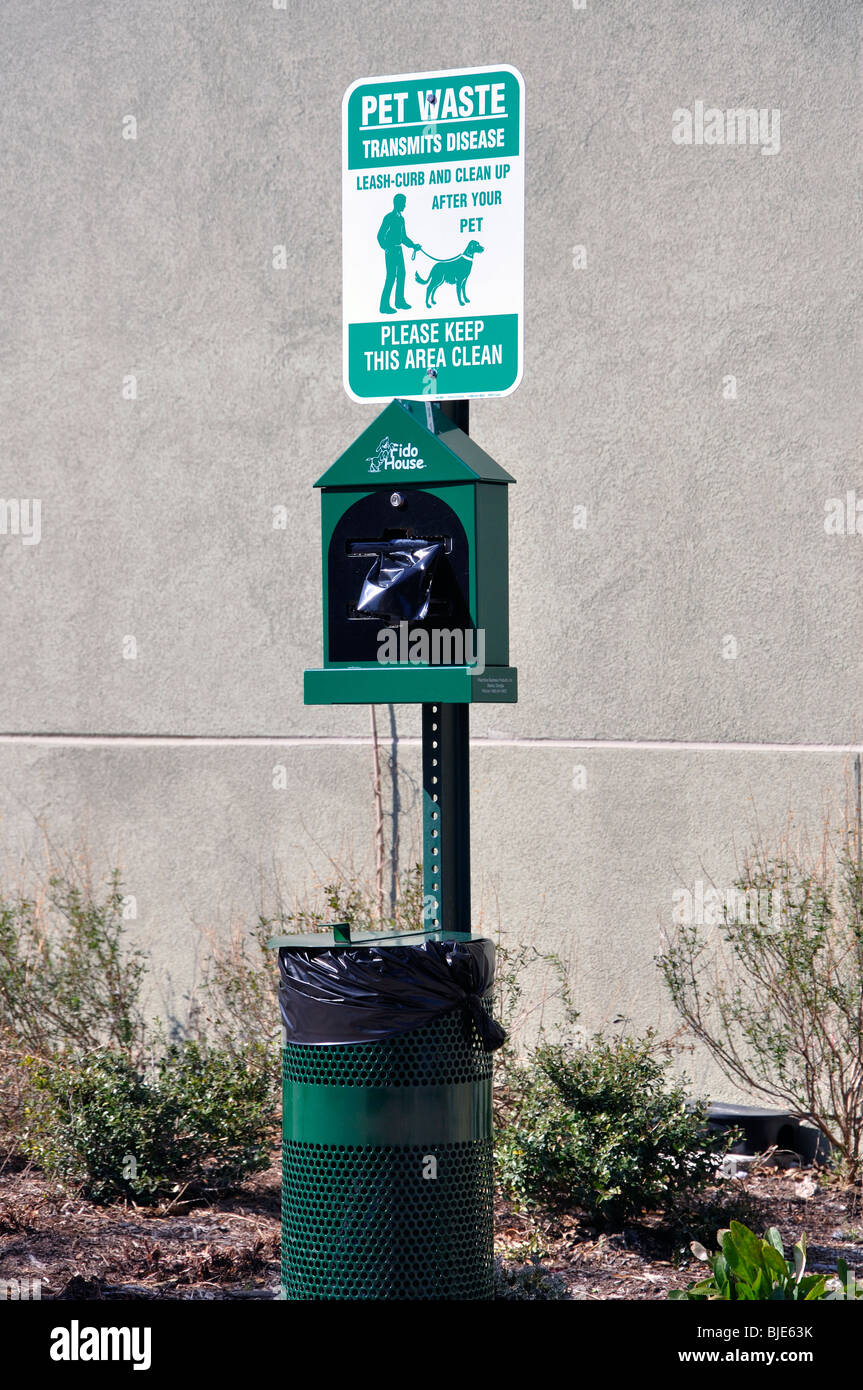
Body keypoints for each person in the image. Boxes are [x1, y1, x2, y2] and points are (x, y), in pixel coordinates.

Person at [377, 194, 421, 314]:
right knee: (391, 277)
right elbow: (380, 235)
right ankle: (384, 306)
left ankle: (399, 302)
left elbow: (403, 237)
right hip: (391, 251)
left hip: (399, 250)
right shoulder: (389, 218)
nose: (405, 205)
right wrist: (386, 247)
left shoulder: (401, 219)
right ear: (397, 203)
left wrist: (413, 246)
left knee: (402, 274)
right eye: (403, 203)